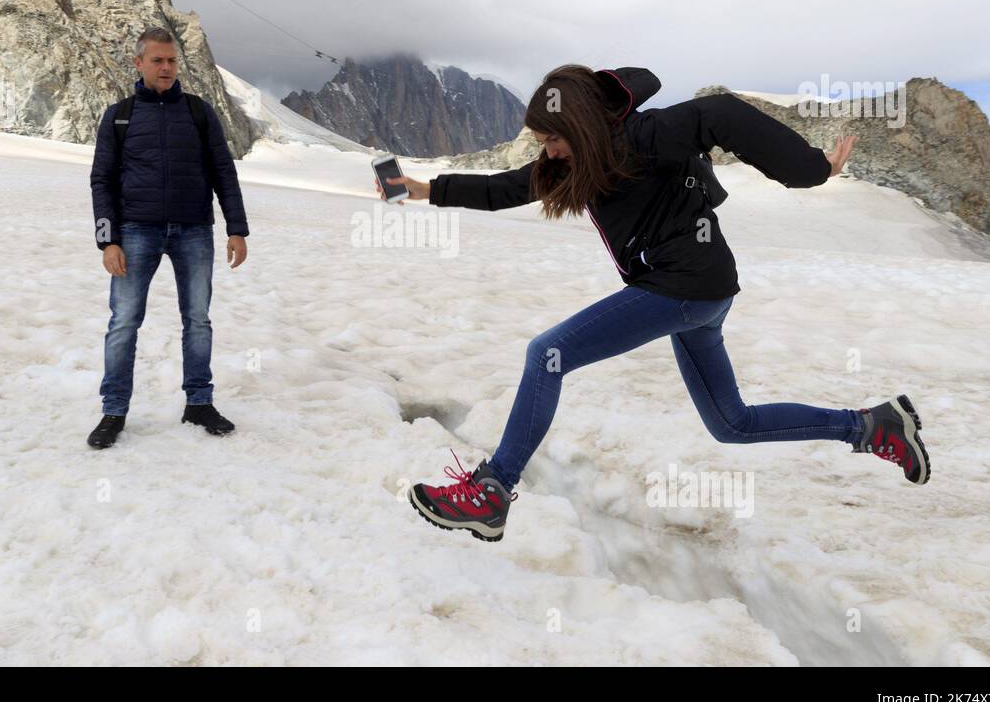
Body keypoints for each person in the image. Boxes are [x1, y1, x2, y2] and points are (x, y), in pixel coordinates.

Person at [381, 64, 928, 542]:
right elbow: (505, 189)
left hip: (683, 287)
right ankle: (872, 426)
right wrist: (423, 189)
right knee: (731, 424)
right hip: (699, 291)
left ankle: (492, 491)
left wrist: (810, 169)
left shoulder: (646, 134)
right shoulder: (577, 163)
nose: (547, 151)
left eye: (553, 139)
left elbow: (720, 113)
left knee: (547, 354)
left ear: (580, 126)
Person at [87, 27, 249, 448]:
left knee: (198, 320)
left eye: (172, 61)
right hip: (135, 231)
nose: (166, 68)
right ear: (138, 63)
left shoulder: (199, 113)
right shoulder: (118, 116)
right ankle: (114, 411)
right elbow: (101, 180)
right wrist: (108, 240)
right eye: (157, 60)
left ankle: (199, 402)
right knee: (123, 322)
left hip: (194, 229)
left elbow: (222, 173)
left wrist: (237, 228)